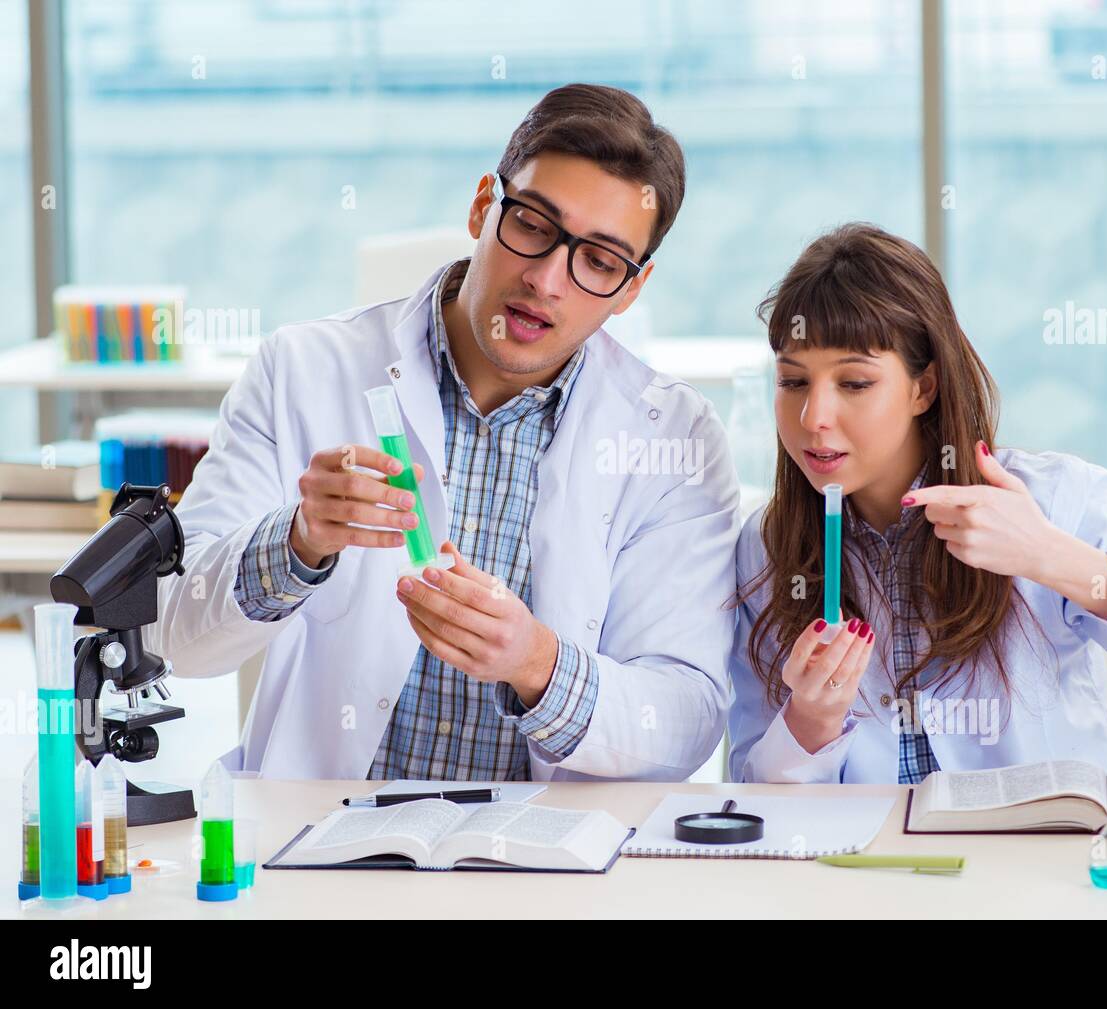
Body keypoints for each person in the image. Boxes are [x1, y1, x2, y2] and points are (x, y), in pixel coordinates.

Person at [147, 84, 739, 781]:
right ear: (483, 205)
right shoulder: (301, 369)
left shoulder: (674, 437)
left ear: (633, 287)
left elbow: (686, 716)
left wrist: (537, 664)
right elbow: (174, 637)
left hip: (548, 865)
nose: (549, 279)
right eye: (533, 224)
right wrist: (299, 538)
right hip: (320, 848)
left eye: (600, 262)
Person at [727, 223, 1107, 783]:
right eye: (794, 382)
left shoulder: (1053, 500)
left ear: (925, 388)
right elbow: (752, 801)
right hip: (857, 868)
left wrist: (1051, 557)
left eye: (854, 383)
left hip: (1036, 863)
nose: (813, 417)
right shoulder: (765, 549)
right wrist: (809, 724)